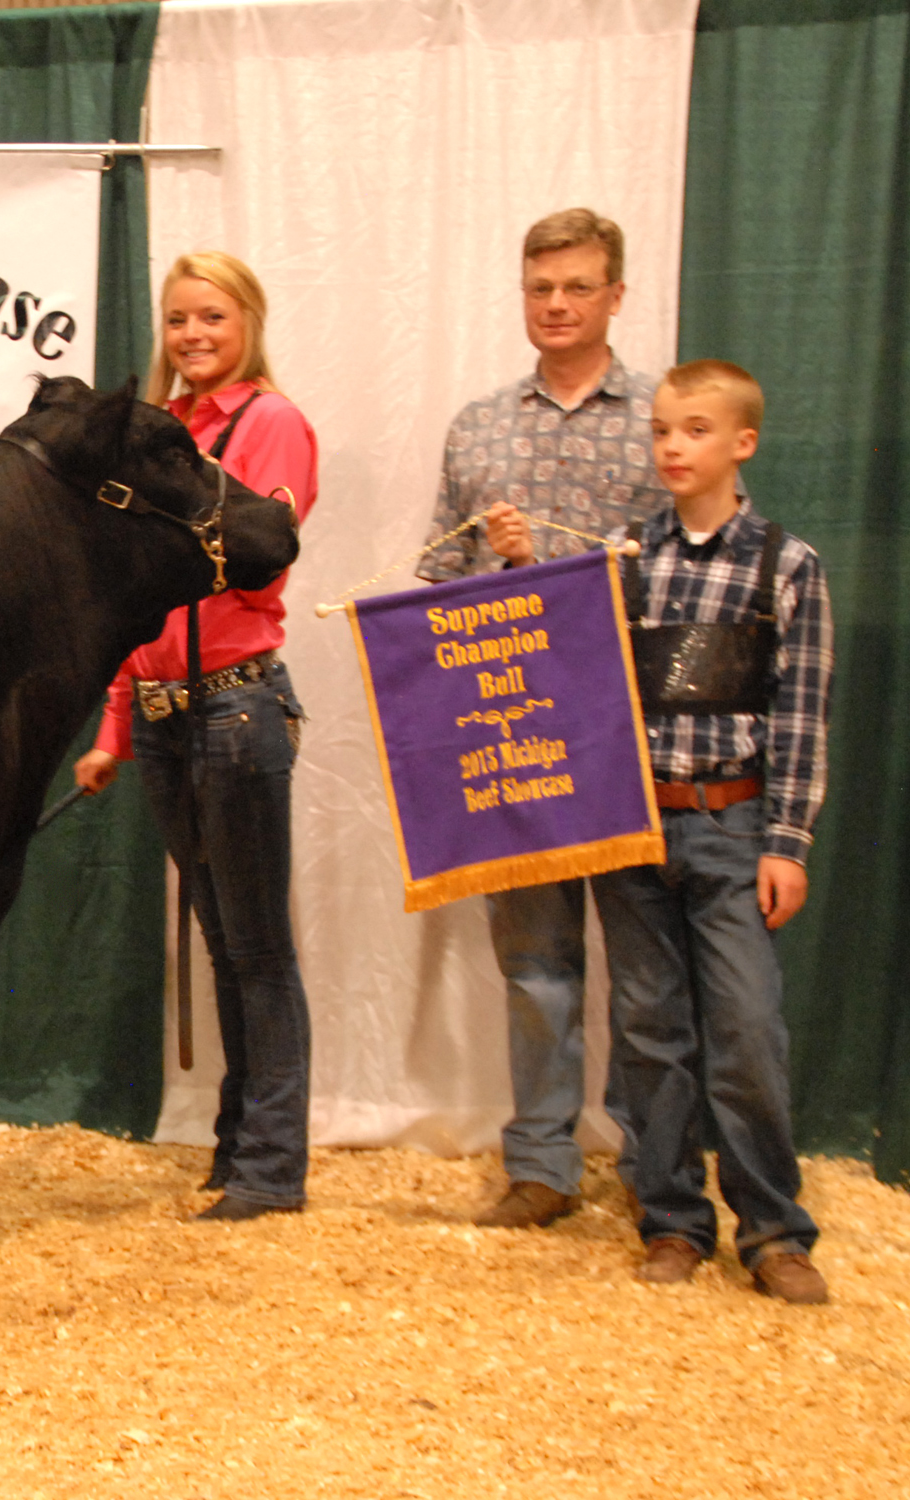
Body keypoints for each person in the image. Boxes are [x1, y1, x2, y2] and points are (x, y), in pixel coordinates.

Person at [492, 360, 832, 1302]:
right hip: (634, 829)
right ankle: (673, 1218)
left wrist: (787, 843)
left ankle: (774, 1230)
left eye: (693, 431)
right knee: (649, 1030)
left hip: (733, 826)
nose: (674, 448)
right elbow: (561, 650)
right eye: (663, 433)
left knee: (748, 1031)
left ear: (741, 443)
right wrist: (523, 566)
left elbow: (801, 715)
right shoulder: (625, 557)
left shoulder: (786, 565)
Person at [417, 208, 667, 1229]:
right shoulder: (477, 426)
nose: (557, 305)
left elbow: (701, 565)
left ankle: (662, 1172)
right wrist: (488, 561)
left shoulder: (664, 415)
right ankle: (541, 1167)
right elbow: (435, 571)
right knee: (535, 966)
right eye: (540, 288)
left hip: (633, 734)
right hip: (512, 735)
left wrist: (570, 566)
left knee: (651, 973)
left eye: (577, 287)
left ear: (616, 295)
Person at [72, 251, 317, 1220]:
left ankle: (271, 1165)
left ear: (248, 322)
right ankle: (237, 1144)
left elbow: (261, 567)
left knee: (257, 946)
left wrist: (187, 531)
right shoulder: (164, 436)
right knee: (225, 940)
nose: (193, 336)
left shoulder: (273, 425)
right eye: (178, 320)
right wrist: (114, 727)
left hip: (239, 700)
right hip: (170, 713)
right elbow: (134, 601)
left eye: (212, 316)